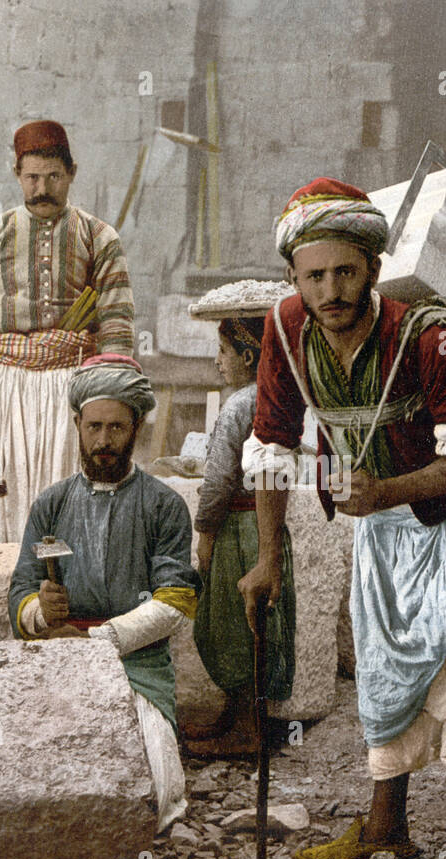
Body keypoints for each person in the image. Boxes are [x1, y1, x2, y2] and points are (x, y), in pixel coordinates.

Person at [238, 178, 446, 859]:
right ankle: (386, 827)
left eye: (346, 271)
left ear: (374, 267)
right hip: (382, 523)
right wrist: (268, 556)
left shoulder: (431, 335)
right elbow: (273, 448)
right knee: (384, 672)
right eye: (315, 276)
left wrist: (387, 492)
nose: (332, 290)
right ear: (294, 279)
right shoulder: (284, 331)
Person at [8, 355, 198, 833]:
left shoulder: (165, 505)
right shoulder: (51, 503)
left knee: (155, 786)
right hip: (57, 655)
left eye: (116, 427)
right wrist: (37, 612)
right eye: (93, 427)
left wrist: (96, 645)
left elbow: (175, 602)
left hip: (136, 663)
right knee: (31, 770)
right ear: (77, 424)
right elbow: (21, 588)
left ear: (137, 425)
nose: (104, 441)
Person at [0, 119, 136, 544]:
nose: (42, 189)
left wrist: (112, 406)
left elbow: (117, 328)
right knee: (5, 503)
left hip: (73, 389)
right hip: (2, 389)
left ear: (72, 174)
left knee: (72, 500)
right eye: (32, 177)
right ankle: (8, 600)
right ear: (17, 175)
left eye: (53, 177)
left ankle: (69, 603)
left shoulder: (99, 237)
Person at [186, 282, 296, 757]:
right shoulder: (275, 397)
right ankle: (238, 713)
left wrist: (205, 533)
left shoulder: (237, 405)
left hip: (238, 531)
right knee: (257, 625)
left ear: (250, 357)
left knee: (237, 624)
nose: (217, 360)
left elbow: (217, 480)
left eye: (224, 350)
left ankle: (248, 730)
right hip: (266, 530)